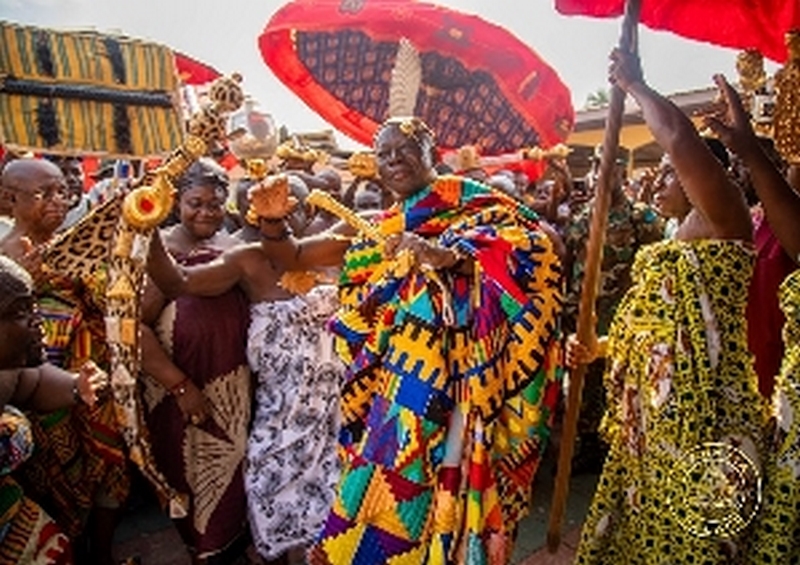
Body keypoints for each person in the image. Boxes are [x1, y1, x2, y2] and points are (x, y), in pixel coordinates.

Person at [308, 118, 561, 564]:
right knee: (392, 484)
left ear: (431, 151)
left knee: (454, 482)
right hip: (399, 385)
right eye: (384, 155)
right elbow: (357, 307)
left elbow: (540, 248)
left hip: (468, 384)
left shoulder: (470, 201)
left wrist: (447, 257)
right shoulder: (380, 228)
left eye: (404, 150)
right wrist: (367, 307)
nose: (393, 161)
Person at [569, 52, 766, 564]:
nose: (658, 181)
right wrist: (598, 348)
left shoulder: (723, 219)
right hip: (653, 428)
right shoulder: (674, 238)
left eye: (668, 174)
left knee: (703, 542)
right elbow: (659, 332)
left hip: (707, 417)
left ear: (704, 180)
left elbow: (679, 140)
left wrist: (634, 84)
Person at [146, 173, 348, 565]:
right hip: (280, 414)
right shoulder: (246, 261)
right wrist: (146, 228)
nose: (272, 222)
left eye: (286, 211)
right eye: (261, 215)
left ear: (309, 213)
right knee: (275, 495)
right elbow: (177, 282)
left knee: (338, 510)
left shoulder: (337, 251)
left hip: (341, 408)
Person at [0, 157, 130, 565]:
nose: (58, 202)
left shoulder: (77, 243)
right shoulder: (5, 262)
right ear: (8, 200)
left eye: (62, 192)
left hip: (87, 381)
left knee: (106, 467)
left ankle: (102, 555)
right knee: (52, 479)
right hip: (36, 405)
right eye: (43, 194)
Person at [704, 74, 800, 564]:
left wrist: (752, 152)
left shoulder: (785, 219)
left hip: (780, 385)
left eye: (748, 166)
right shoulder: (754, 218)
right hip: (745, 382)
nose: (737, 172)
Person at [139, 158, 252, 564]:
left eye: (216, 203)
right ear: (177, 202)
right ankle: (199, 551)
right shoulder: (160, 251)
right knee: (187, 469)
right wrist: (180, 386)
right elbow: (135, 328)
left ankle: (224, 549)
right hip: (179, 391)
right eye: (195, 202)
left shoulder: (236, 249)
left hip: (232, 390)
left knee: (231, 466)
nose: (206, 212)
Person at [0, 255, 108, 565]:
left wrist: (77, 387)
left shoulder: (8, 369)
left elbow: (33, 383)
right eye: (20, 312)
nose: (38, 320)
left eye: (34, 306)